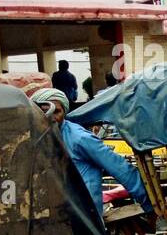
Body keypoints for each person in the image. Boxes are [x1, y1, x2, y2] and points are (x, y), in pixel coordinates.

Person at [31, 88, 151, 218]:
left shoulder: (79, 138)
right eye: (45, 112)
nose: (52, 117)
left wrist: (149, 203)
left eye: (57, 112)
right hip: (50, 214)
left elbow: (119, 168)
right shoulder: (36, 139)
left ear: (64, 112)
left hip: (84, 216)